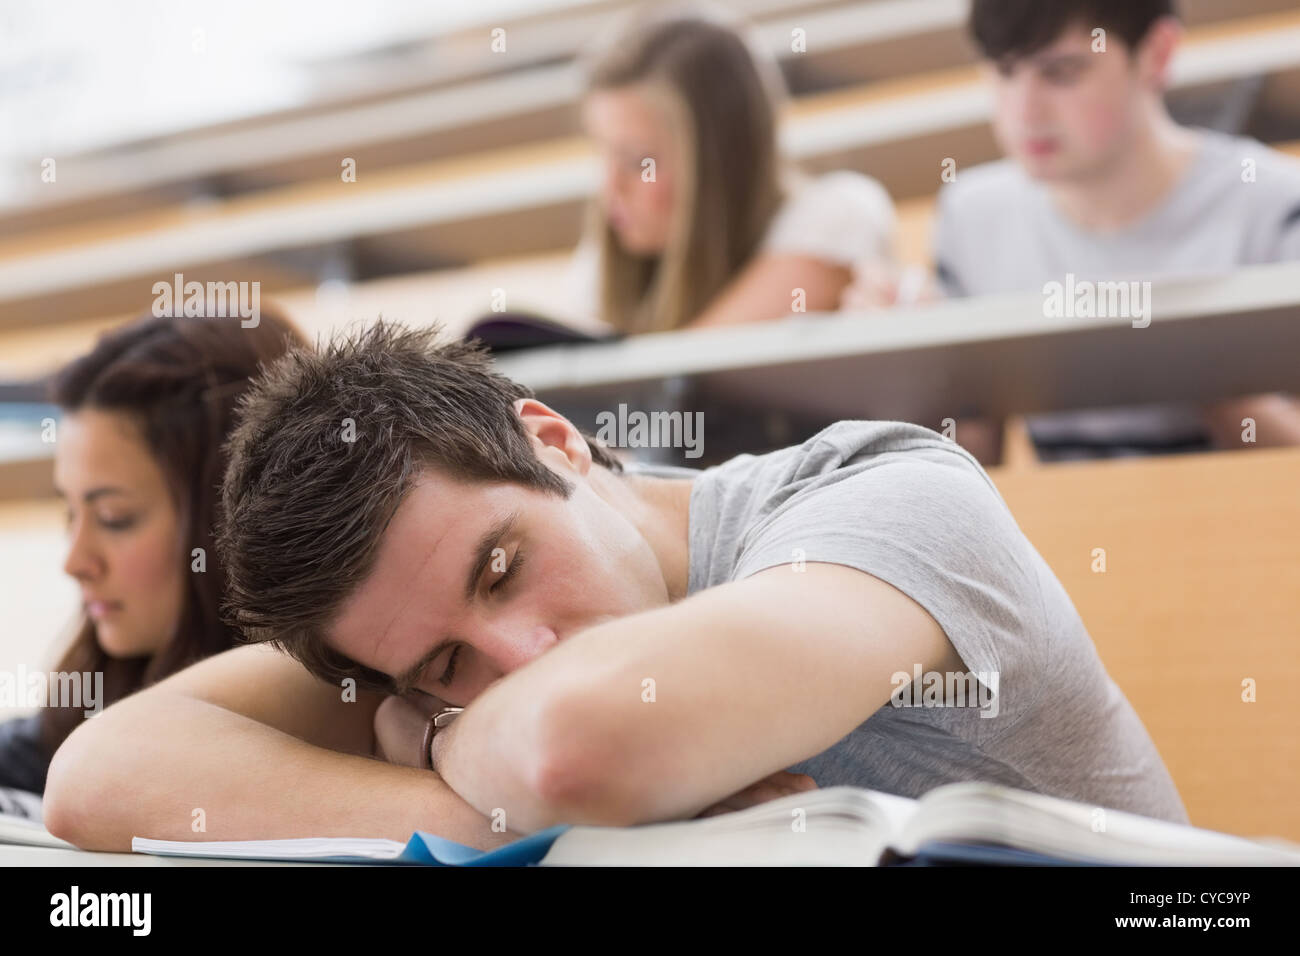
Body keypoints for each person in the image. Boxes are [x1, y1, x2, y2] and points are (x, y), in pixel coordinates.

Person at [45, 322, 1188, 852]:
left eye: (501, 565)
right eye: (446, 665)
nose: (524, 657)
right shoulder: (415, 636)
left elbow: (575, 748)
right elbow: (97, 777)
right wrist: (457, 809)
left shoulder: (883, 493)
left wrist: (441, 738)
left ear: (553, 442)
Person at [930, 0, 1300, 461]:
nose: (1025, 112)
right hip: (1068, 528)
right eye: (1004, 73)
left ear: (1157, 54)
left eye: (1062, 72)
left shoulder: (1276, 205)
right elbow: (971, 459)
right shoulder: (971, 215)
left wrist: (1210, 382)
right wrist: (916, 371)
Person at [0, 308, 306, 800]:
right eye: (71, 513)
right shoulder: (97, 693)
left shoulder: (341, 711)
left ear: (232, 515)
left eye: (115, 517)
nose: (75, 562)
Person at [568, 4, 897, 335]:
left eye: (639, 161)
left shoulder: (836, 214)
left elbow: (693, 368)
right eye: (603, 154)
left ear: (719, 161)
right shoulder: (604, 260)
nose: (610, 188)